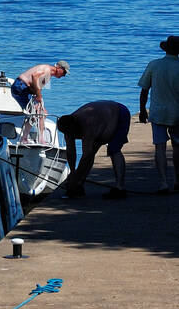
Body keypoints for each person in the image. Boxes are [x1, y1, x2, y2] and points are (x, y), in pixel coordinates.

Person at [56, 101, 130, 199]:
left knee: (114, 149)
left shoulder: (88, 125)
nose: (69, 136)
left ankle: (120, 188)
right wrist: (72, 172)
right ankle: (79, 185)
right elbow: (71, 151)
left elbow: (86, 155)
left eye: (71, 133)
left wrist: (75, 177)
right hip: (102, 117)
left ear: (75, 128)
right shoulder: (67, 126)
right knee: (91, 151)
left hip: (119, 113)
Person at [138, 35, 179, 193]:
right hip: (177, 113)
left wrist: (142, 110)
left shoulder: (154, 65)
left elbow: (144, 90)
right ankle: (177, 180)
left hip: (158, 113)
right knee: (177, 147)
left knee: (160, 147)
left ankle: (163, 182)